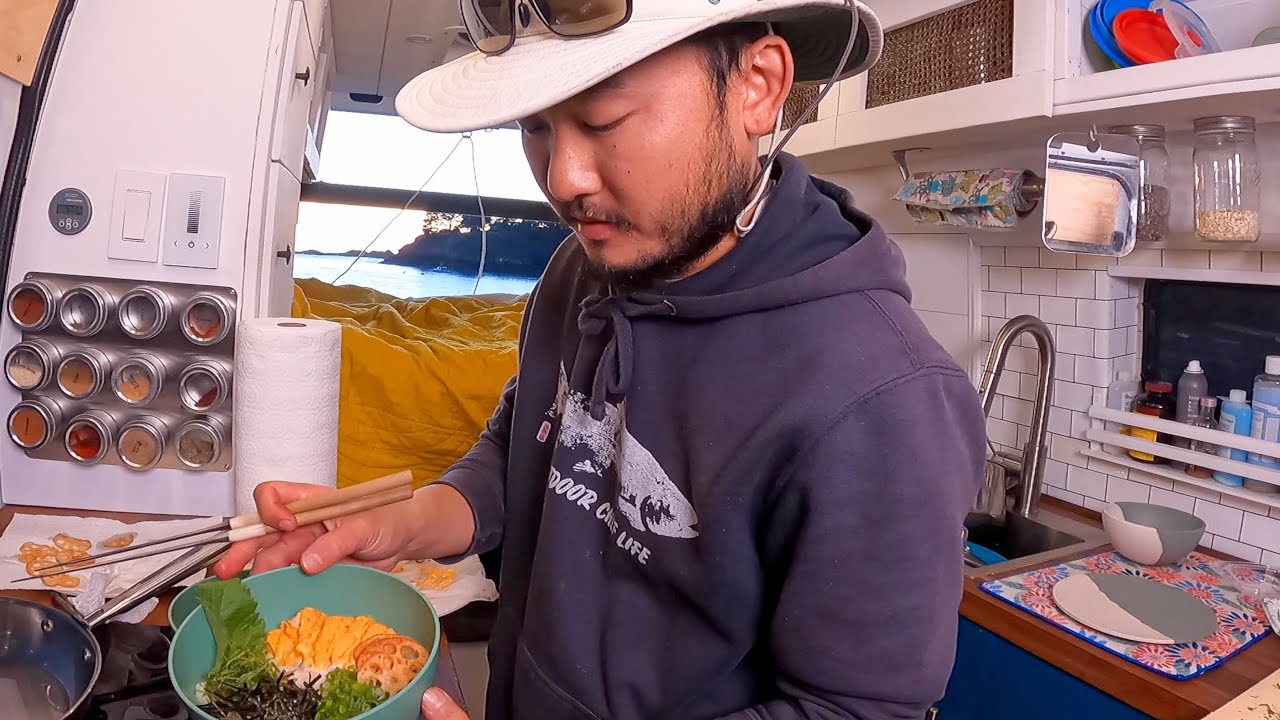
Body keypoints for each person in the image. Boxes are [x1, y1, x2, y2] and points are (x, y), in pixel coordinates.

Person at [215, 0, 988, 718]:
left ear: (758, 87)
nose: (563, 179)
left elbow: (850, 710)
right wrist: (405, 521)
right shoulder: (579, 271)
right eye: (535, 128)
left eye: (602, 117)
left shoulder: (883, 398)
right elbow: (529, 451)